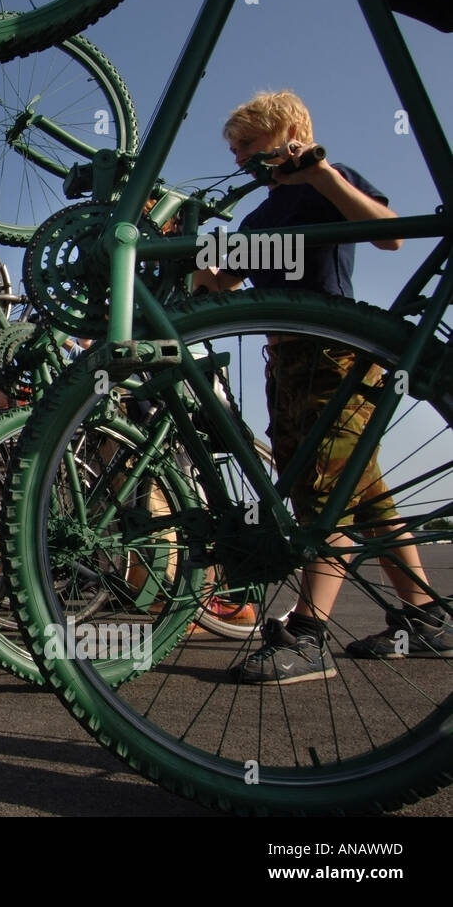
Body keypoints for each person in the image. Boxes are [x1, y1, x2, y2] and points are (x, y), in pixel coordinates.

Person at [192, 90, 445, 684]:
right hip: (283, 359)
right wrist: (190, 249)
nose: (239, 160)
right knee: (367, 495)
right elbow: (216, 284)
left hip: (335, 357)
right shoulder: (258, 218)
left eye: (248, 145)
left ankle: (308, 634)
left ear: (287, 133)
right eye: (234, 150)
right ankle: (429, 616)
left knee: (321, 491)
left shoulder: (326, 181)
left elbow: (389, 235)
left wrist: (322, 171)